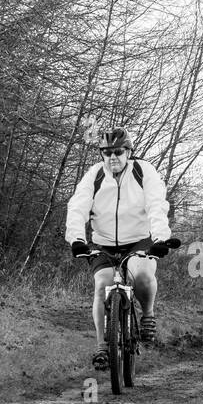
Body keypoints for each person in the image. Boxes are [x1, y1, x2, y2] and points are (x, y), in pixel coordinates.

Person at [65, 128, 172, 370]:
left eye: (118, 152)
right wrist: (77, 239)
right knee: (102, 285)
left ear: (129, 152)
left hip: (138, 239)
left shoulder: (143, 171)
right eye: (106, 153)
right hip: (102, 242)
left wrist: (161, 238)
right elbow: (77, 207)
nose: (113, 157)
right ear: (102, 155)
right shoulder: (94, 175)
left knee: (143, 275)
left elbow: (156, 205)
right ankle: (103, 346)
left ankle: (148, 316)